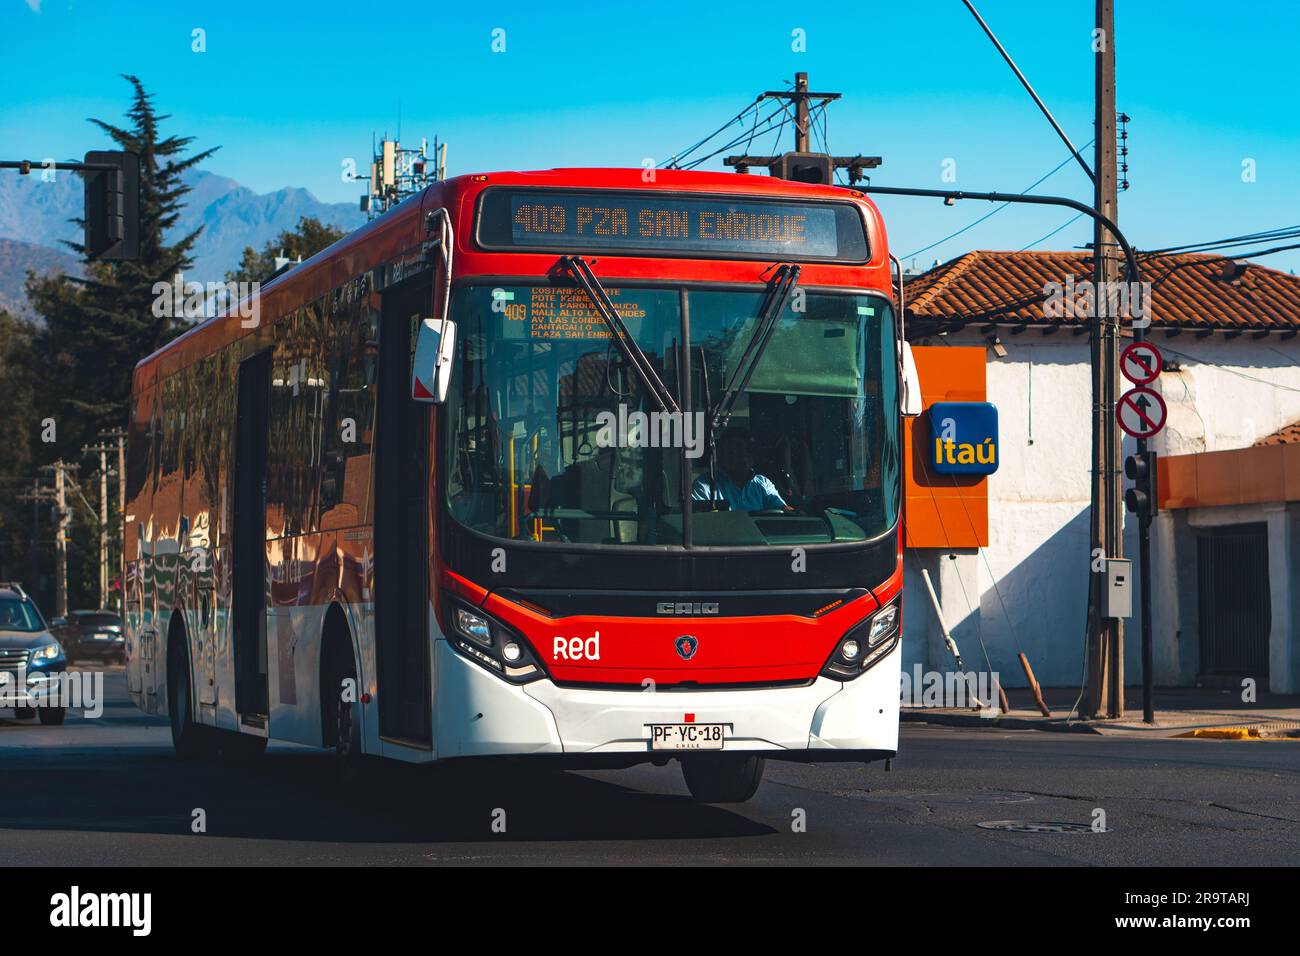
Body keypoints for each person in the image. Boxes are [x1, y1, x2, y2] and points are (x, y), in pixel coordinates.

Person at [692, 426, 790, 512]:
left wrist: (792, 512)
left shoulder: (762, 483)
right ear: (722, 454)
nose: (744, 456)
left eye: (748, 449)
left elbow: (782, 509)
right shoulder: (703, 486)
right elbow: (697, 523)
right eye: (736, 451)